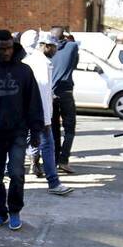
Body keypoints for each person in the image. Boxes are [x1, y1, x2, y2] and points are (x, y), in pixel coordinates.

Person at [0, 29, 44, 230]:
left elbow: (34, 103)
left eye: (8, 48)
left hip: (18, 133)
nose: (5, 52)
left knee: (16, 173)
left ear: (13, 47)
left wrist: (36, 131)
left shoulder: (24, 71)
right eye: (1, 48)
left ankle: (14, 211)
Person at [27, 32, 75, 195]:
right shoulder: (41, 64)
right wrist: (46, 119)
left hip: (30, 113)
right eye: (54, 47)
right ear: (46, 46)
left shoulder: (32, 60)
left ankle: (9, 172)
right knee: (47, 146)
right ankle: (53, 183)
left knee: (23, 144)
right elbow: (41, 92)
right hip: (39, 114)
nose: (56, 51)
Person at [48, 26, 79, 174]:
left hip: (51, 94)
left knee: (53, 129)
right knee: (69, 128)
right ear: (64, 35)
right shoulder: (72, 46)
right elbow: (75, 63)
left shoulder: (47, 50)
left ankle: (54, 161)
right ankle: (64, 160)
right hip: (66, 92)